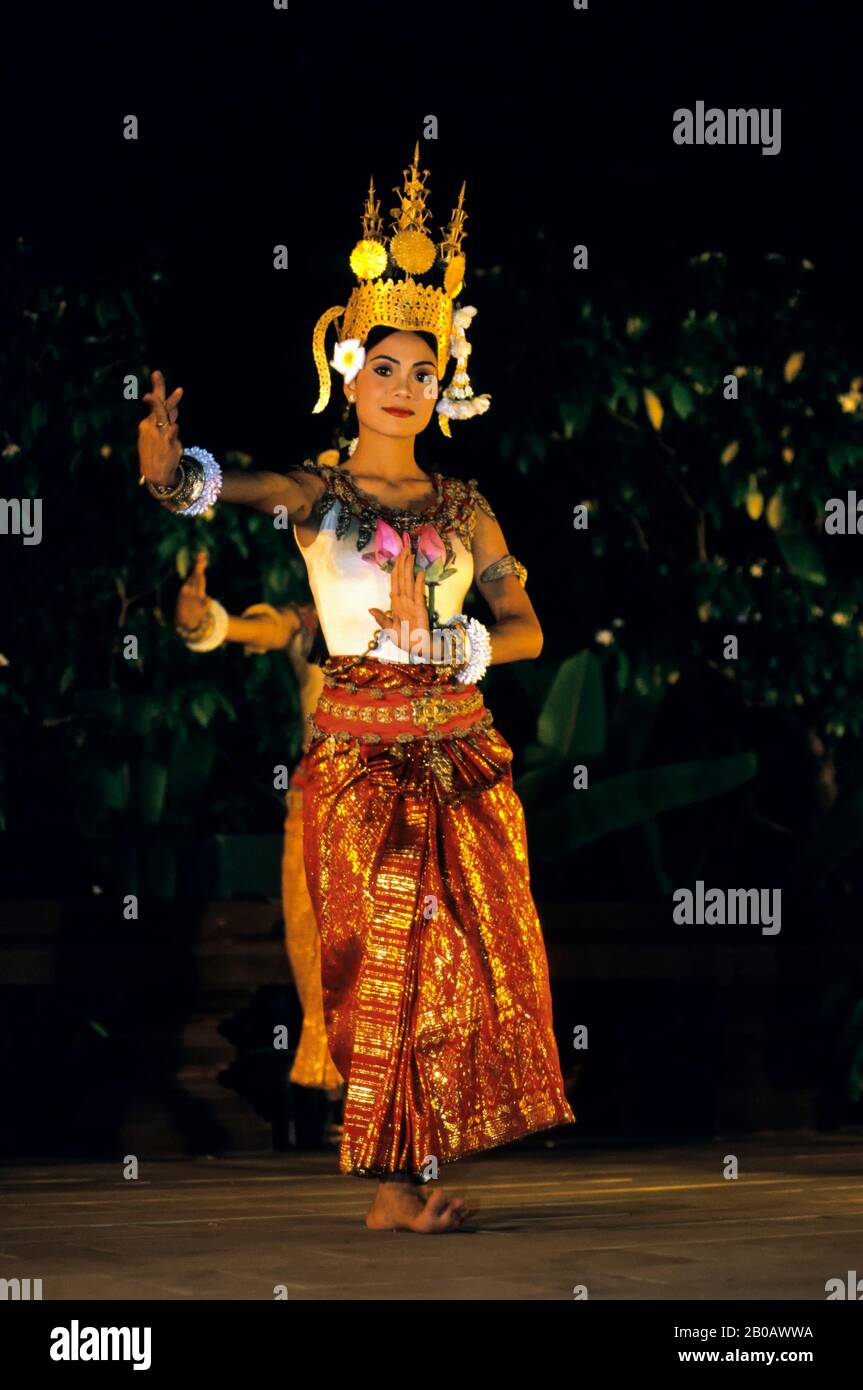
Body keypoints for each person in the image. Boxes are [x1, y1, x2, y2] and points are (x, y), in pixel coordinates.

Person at [138, 144, 576, 1234]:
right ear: (346, 366)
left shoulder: (468, 507)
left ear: (446, 382)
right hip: (355, 754)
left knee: (450, 967)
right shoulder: (317, 493)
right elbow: (220, 487)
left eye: (422, 371)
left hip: (460, 750)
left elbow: (527, 626)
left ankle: (408, 1181)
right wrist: (169, 471)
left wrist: (465, 647)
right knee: (385, 957)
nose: (404, 386)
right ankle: (392, 1187)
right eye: (385, 366)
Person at [173, 550, 345, 1126]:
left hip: (398, 797)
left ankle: (395, 1106)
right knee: (320, 950)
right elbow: (261, 628)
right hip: (320, 800)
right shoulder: (311, 621)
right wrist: (207, 623)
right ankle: (347, 1101)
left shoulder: (416, 614)